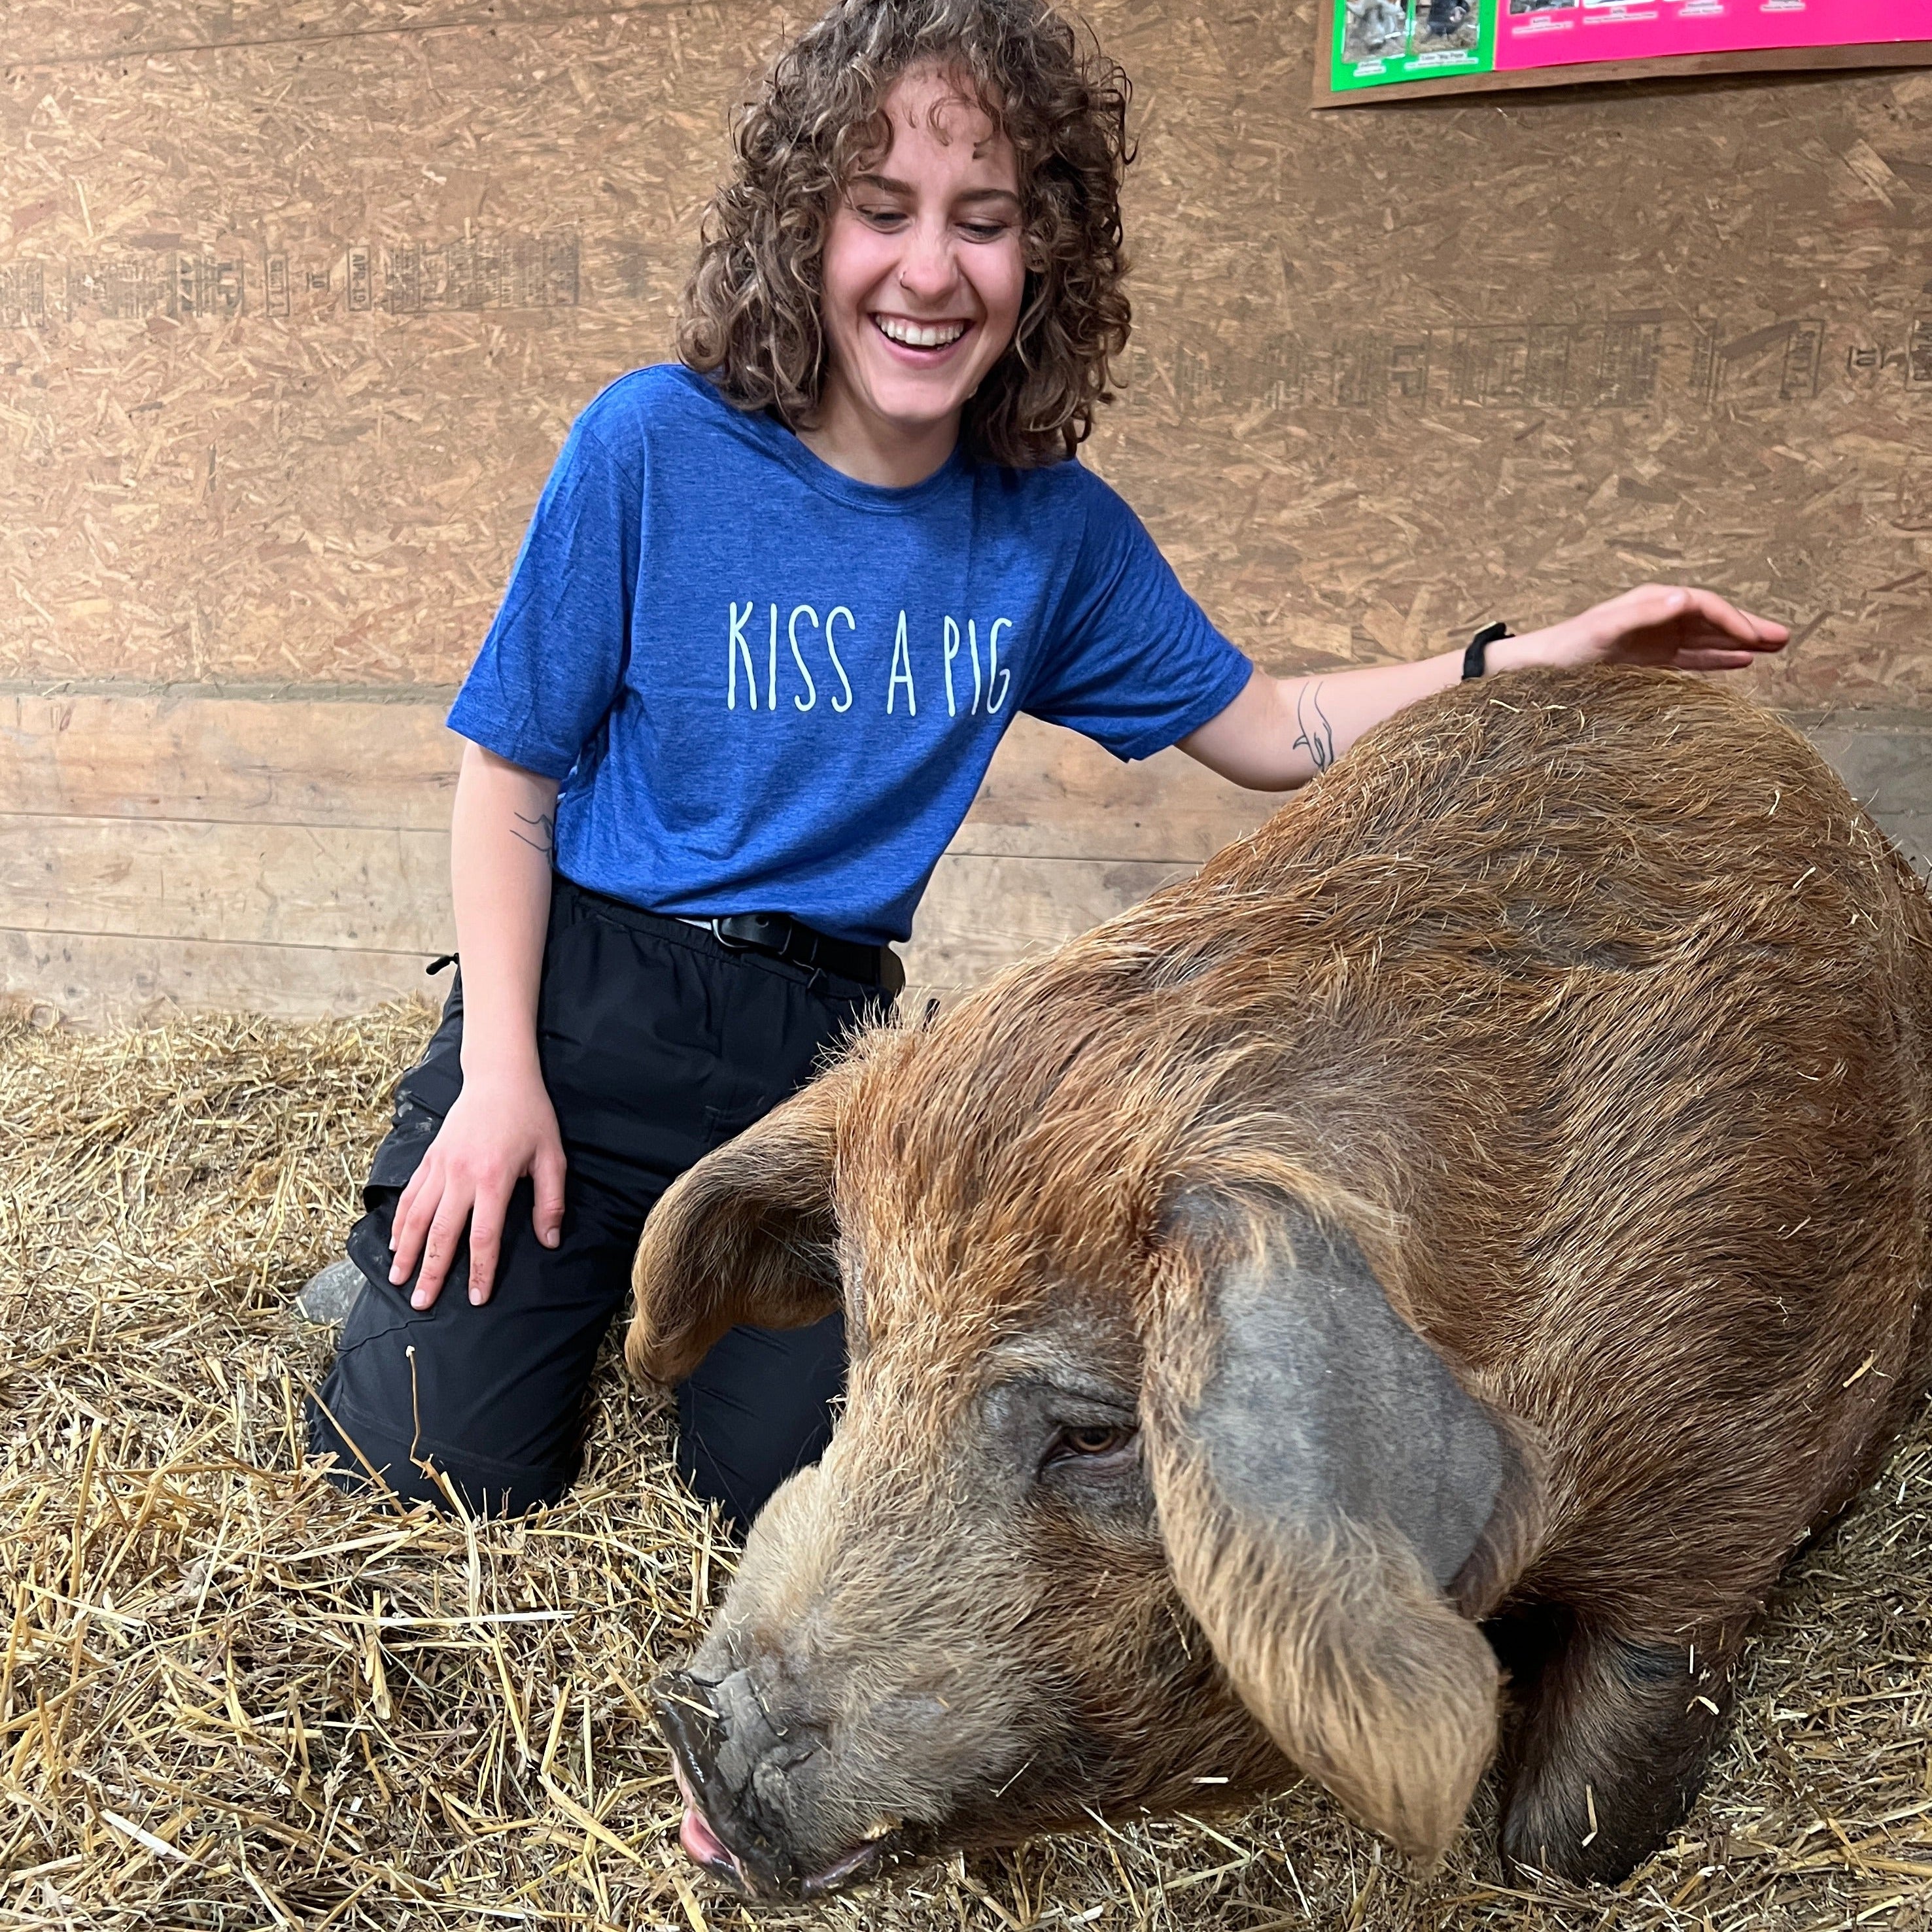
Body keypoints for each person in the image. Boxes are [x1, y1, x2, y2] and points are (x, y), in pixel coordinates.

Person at [303, 0, 1786, 1530]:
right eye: (882, 212)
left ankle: (600, 1287)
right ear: (803, 229)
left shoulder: (1049, 529)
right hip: (582, 1005)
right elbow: (510, 779)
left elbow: (1274, 730)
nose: (931, 269)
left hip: (815, 1065)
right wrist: (496, 1080)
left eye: (986, 220)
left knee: (792, 1494)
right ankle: (418, 1265)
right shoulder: (653, 445)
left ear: (1044, 259)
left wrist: (1531, 659)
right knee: (431, 1477)